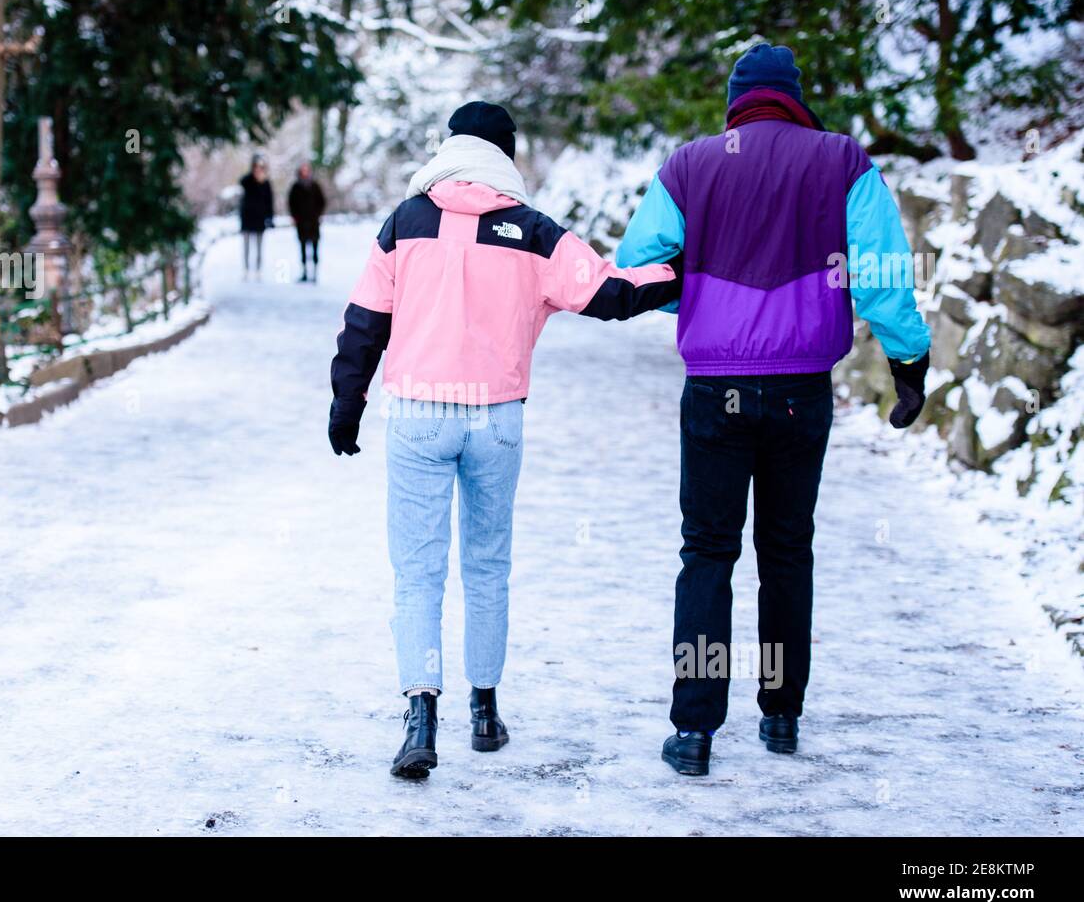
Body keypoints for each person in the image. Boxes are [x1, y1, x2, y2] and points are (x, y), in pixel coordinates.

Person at [328, 101, 682, 779]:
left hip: (419, 416)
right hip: (496, 418)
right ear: (506, 155)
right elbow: (609, 293)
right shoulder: (533, 231)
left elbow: (365, 321)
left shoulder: (404, 223)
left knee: (418, 573)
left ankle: (420, 715)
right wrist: (681, 271)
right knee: (487, 566)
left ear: (449, 147)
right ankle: (485, 711)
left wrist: (349, 404)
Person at [615, 44, 932, 776]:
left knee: (707, 552)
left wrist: (685, 284)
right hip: (799, 389)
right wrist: (907, 365)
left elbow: (639, 263)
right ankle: (781, 714)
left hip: (713, 388)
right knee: (787, 552)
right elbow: (883, 273)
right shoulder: (842, 159)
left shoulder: (691, 163)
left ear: (736, 100)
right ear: (795, 97)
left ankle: (694, 729)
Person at [288, 162, 327, 282]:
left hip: (314, 221)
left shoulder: (315, 186)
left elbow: (322, 201)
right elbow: (291, 203)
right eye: (303, 170)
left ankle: (315, 272)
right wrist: (294, 217)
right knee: (303, 247)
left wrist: (318, 214)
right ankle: (304, 272)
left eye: (307, 170)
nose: (305, 172)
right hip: (301, 222)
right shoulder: (295, 186)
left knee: (315, 246)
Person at [238, 155, 274, 280]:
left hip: (260, 218)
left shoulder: (266, 182)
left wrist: (269, 217)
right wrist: (253, 175)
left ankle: (258, 270)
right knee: (246, 246)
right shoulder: (248, 181)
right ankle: (246, 269)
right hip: (247, 217)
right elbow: (241, 181)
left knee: (259, 246)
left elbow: (269, 201)